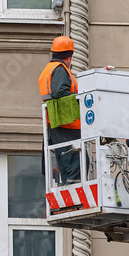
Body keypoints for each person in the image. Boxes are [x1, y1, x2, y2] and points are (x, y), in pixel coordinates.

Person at [38, 35, 82, 184]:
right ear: (69, 57)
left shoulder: (49, 69)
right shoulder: (60, 69)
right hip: (66, 123)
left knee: (66, 165)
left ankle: (68, 190)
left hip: (56, 123)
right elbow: (59, 92)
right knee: (76, 164)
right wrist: (80, 98)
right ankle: (74, 193)